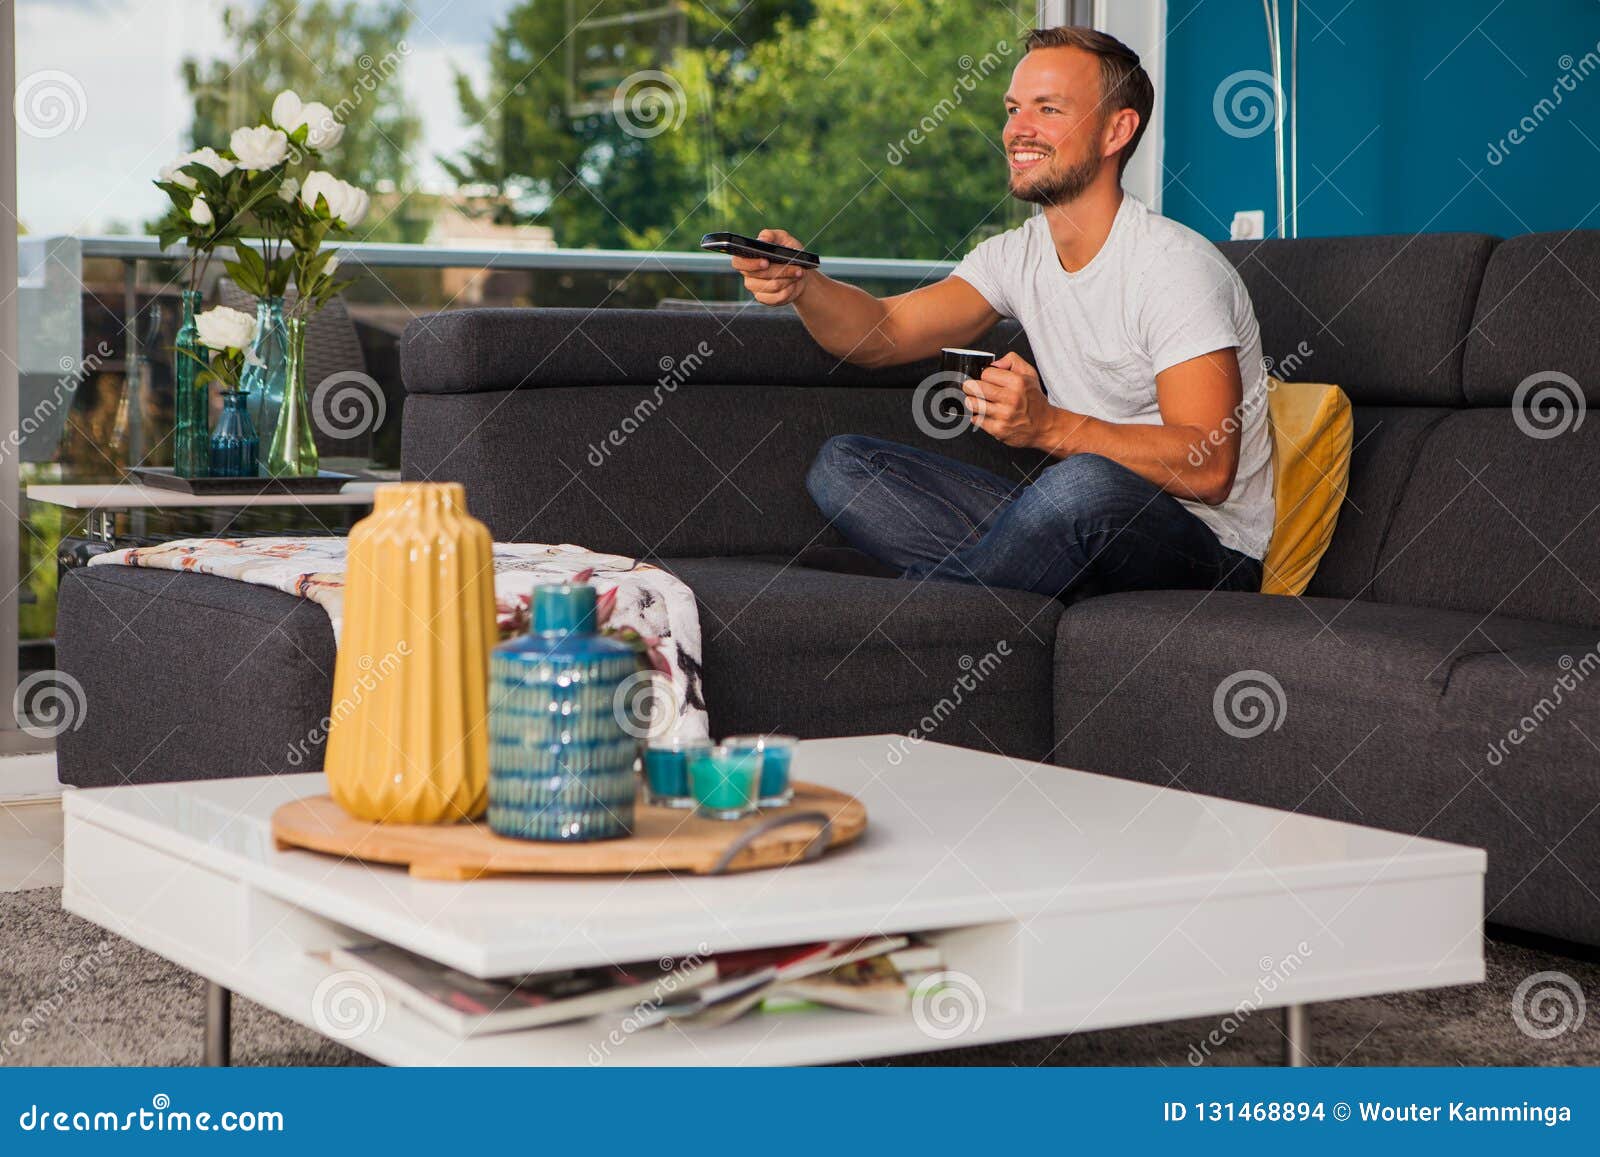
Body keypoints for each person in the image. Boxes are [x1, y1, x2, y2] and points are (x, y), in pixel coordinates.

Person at [725, 25, 1272, 603]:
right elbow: (882, 333)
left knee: (1080, 486)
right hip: (1077, 525)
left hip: (1209, 551)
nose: (1018, 130)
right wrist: (803, 285)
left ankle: (944, 604)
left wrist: (1049, 427)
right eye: (1013, 108)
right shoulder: (1017, 255)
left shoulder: (1173, 267)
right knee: (843, 467)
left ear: (1117, 130)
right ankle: (1008, 582)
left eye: (1048, 109)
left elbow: (1209, 467)